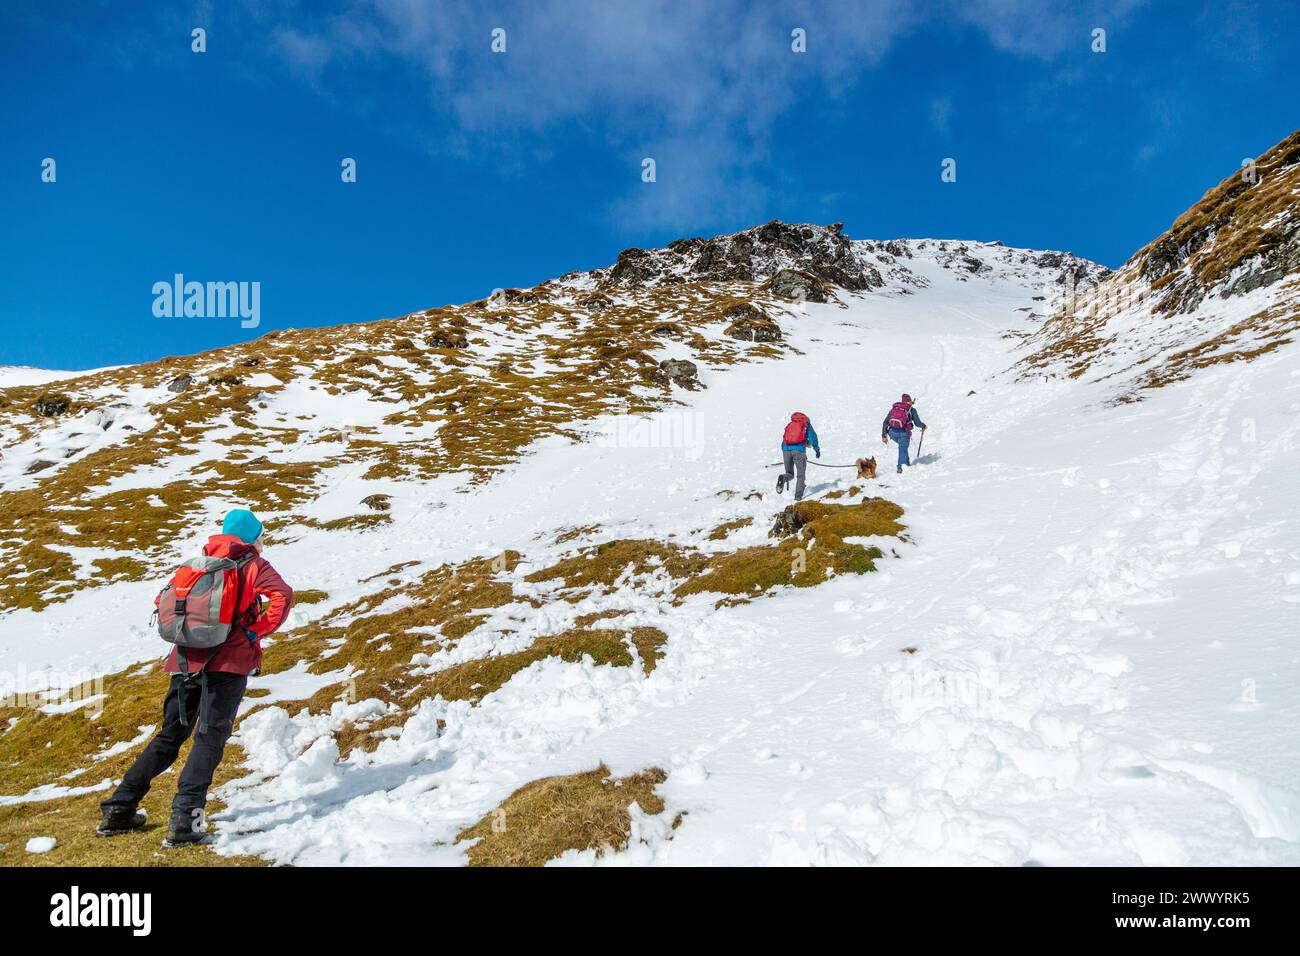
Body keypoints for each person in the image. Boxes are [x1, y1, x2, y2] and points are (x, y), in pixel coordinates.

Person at [97, 508, 294, 846]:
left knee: (170, 736)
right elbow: (283, 595)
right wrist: (255, 630)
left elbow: (163, 600)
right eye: (261, 535)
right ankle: (186, 819)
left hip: (184, 660)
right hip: (227, 662)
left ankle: (118, 808)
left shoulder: (196, 563)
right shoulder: (251, 564)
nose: (263, 541)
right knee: (209, 738)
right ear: (251, 536)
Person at [776, 411, 820, 500]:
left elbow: (785, 440)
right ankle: (798, 497)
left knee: (789, 474)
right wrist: (817, 449)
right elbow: (813, 437)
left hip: (786, 450)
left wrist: (786, 451)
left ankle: (783, 478)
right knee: (801, 475)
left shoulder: (791, 424)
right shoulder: (806, 425)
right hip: (799, 451)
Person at [881, 393, 927, 474]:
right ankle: (900, 467)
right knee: (903, 448)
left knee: (903, 447)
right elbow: (917, 423)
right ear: (909, 401)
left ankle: (906, 462)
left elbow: (885, 422)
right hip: (904, 433)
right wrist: (923, 426)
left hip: (892, 433)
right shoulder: (911, 410)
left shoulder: (894, 409)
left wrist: (884, 435)